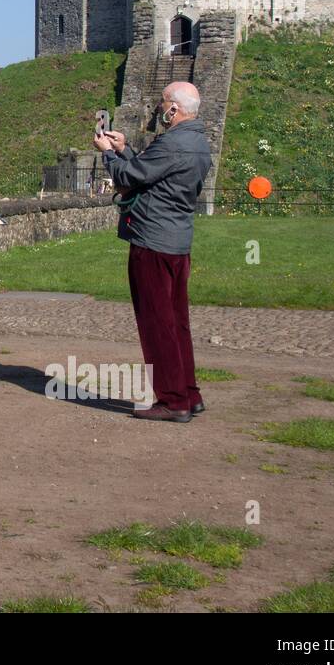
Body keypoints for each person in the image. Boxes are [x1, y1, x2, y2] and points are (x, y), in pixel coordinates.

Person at [94, 81, 213, 422]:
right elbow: (155, 175)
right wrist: (126, 147)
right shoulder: (198, 143)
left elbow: (130, 178)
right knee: (176, 322)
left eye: (163, 103)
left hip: (152, 241)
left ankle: (173, 400)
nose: (161, 109)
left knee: (156, 322)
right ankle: (189, 392)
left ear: (175, 109)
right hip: (178, 241)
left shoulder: (174, 142)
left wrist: (107, 152)